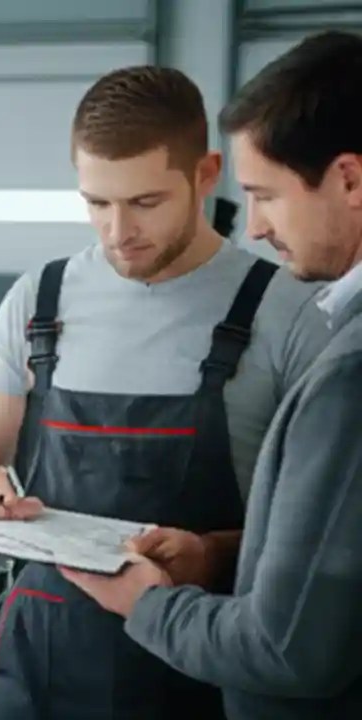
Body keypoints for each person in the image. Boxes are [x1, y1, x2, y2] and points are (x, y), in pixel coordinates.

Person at [0, 65, 335, 719]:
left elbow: (327, 539)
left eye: (145, 202)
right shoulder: (38, 300)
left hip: (198, 671)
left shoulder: (291, 313)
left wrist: (211, 555)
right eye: (97, 203)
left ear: (206, 175)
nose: (118, 231)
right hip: (36, 672)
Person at [60, 30, 362, 719]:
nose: (253, 227)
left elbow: (288, 650)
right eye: (96, 203)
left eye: (267, 195)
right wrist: (212, 558)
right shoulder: (40, 299)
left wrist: (148, 602)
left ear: (347, 179)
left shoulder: (347, 364)